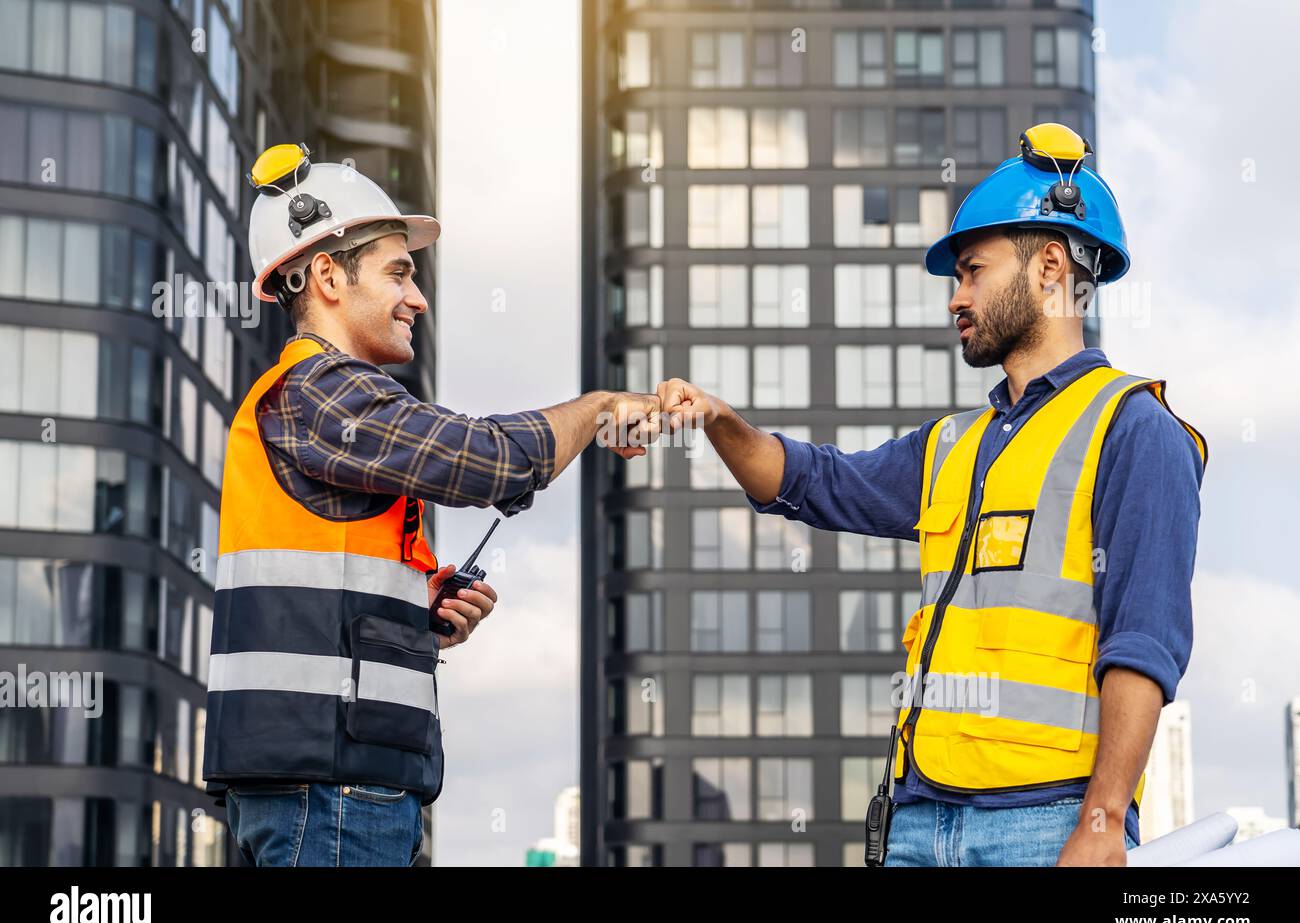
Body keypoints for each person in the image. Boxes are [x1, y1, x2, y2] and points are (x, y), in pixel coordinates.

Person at [653, 124, 1207, 867]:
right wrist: (719, 420)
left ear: (1050, 265)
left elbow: (1145, 641)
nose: (957, 297)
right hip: (918, 818)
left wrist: (1104, 819)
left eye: (973, 270)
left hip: (1045, 823)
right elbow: (811, 483)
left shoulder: (1135, 429)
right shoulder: (951, 445)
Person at [202, 144, 659, 866]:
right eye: (399, 273)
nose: (417, 298)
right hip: (330, 792)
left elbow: (316, 594)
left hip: (333, 781)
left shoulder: (316, 405)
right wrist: (601, 406)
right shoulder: (322, 393)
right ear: (326, 274)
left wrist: (415, 615)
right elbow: (492, 461)